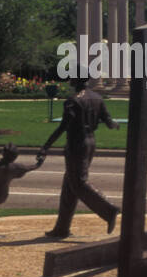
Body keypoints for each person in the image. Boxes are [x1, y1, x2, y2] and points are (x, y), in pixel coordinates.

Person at [39, 76, 120, 239]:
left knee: (79, 182)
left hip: (77, 144)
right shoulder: (97, 98)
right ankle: (62, 228)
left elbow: (63, 127)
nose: (69, 81)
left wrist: (46, 147)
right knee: (69, 185)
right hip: (90, 142)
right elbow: (109, 122)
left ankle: (108, 210)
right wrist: (115, 125)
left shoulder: (73, 101)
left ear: (76, 81)